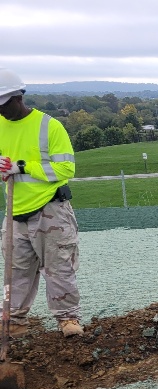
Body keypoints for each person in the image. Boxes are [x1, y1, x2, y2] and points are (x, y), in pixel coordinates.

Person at [0, 68, 83, 338]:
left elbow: (65, 169)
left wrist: (22, 167)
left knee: (59, 267)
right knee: (16, 271)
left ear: (17, 97)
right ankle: (14, 322)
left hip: (50, 210)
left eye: (2, 104)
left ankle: (68, 319)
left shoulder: (49, 126)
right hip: (15, 211)